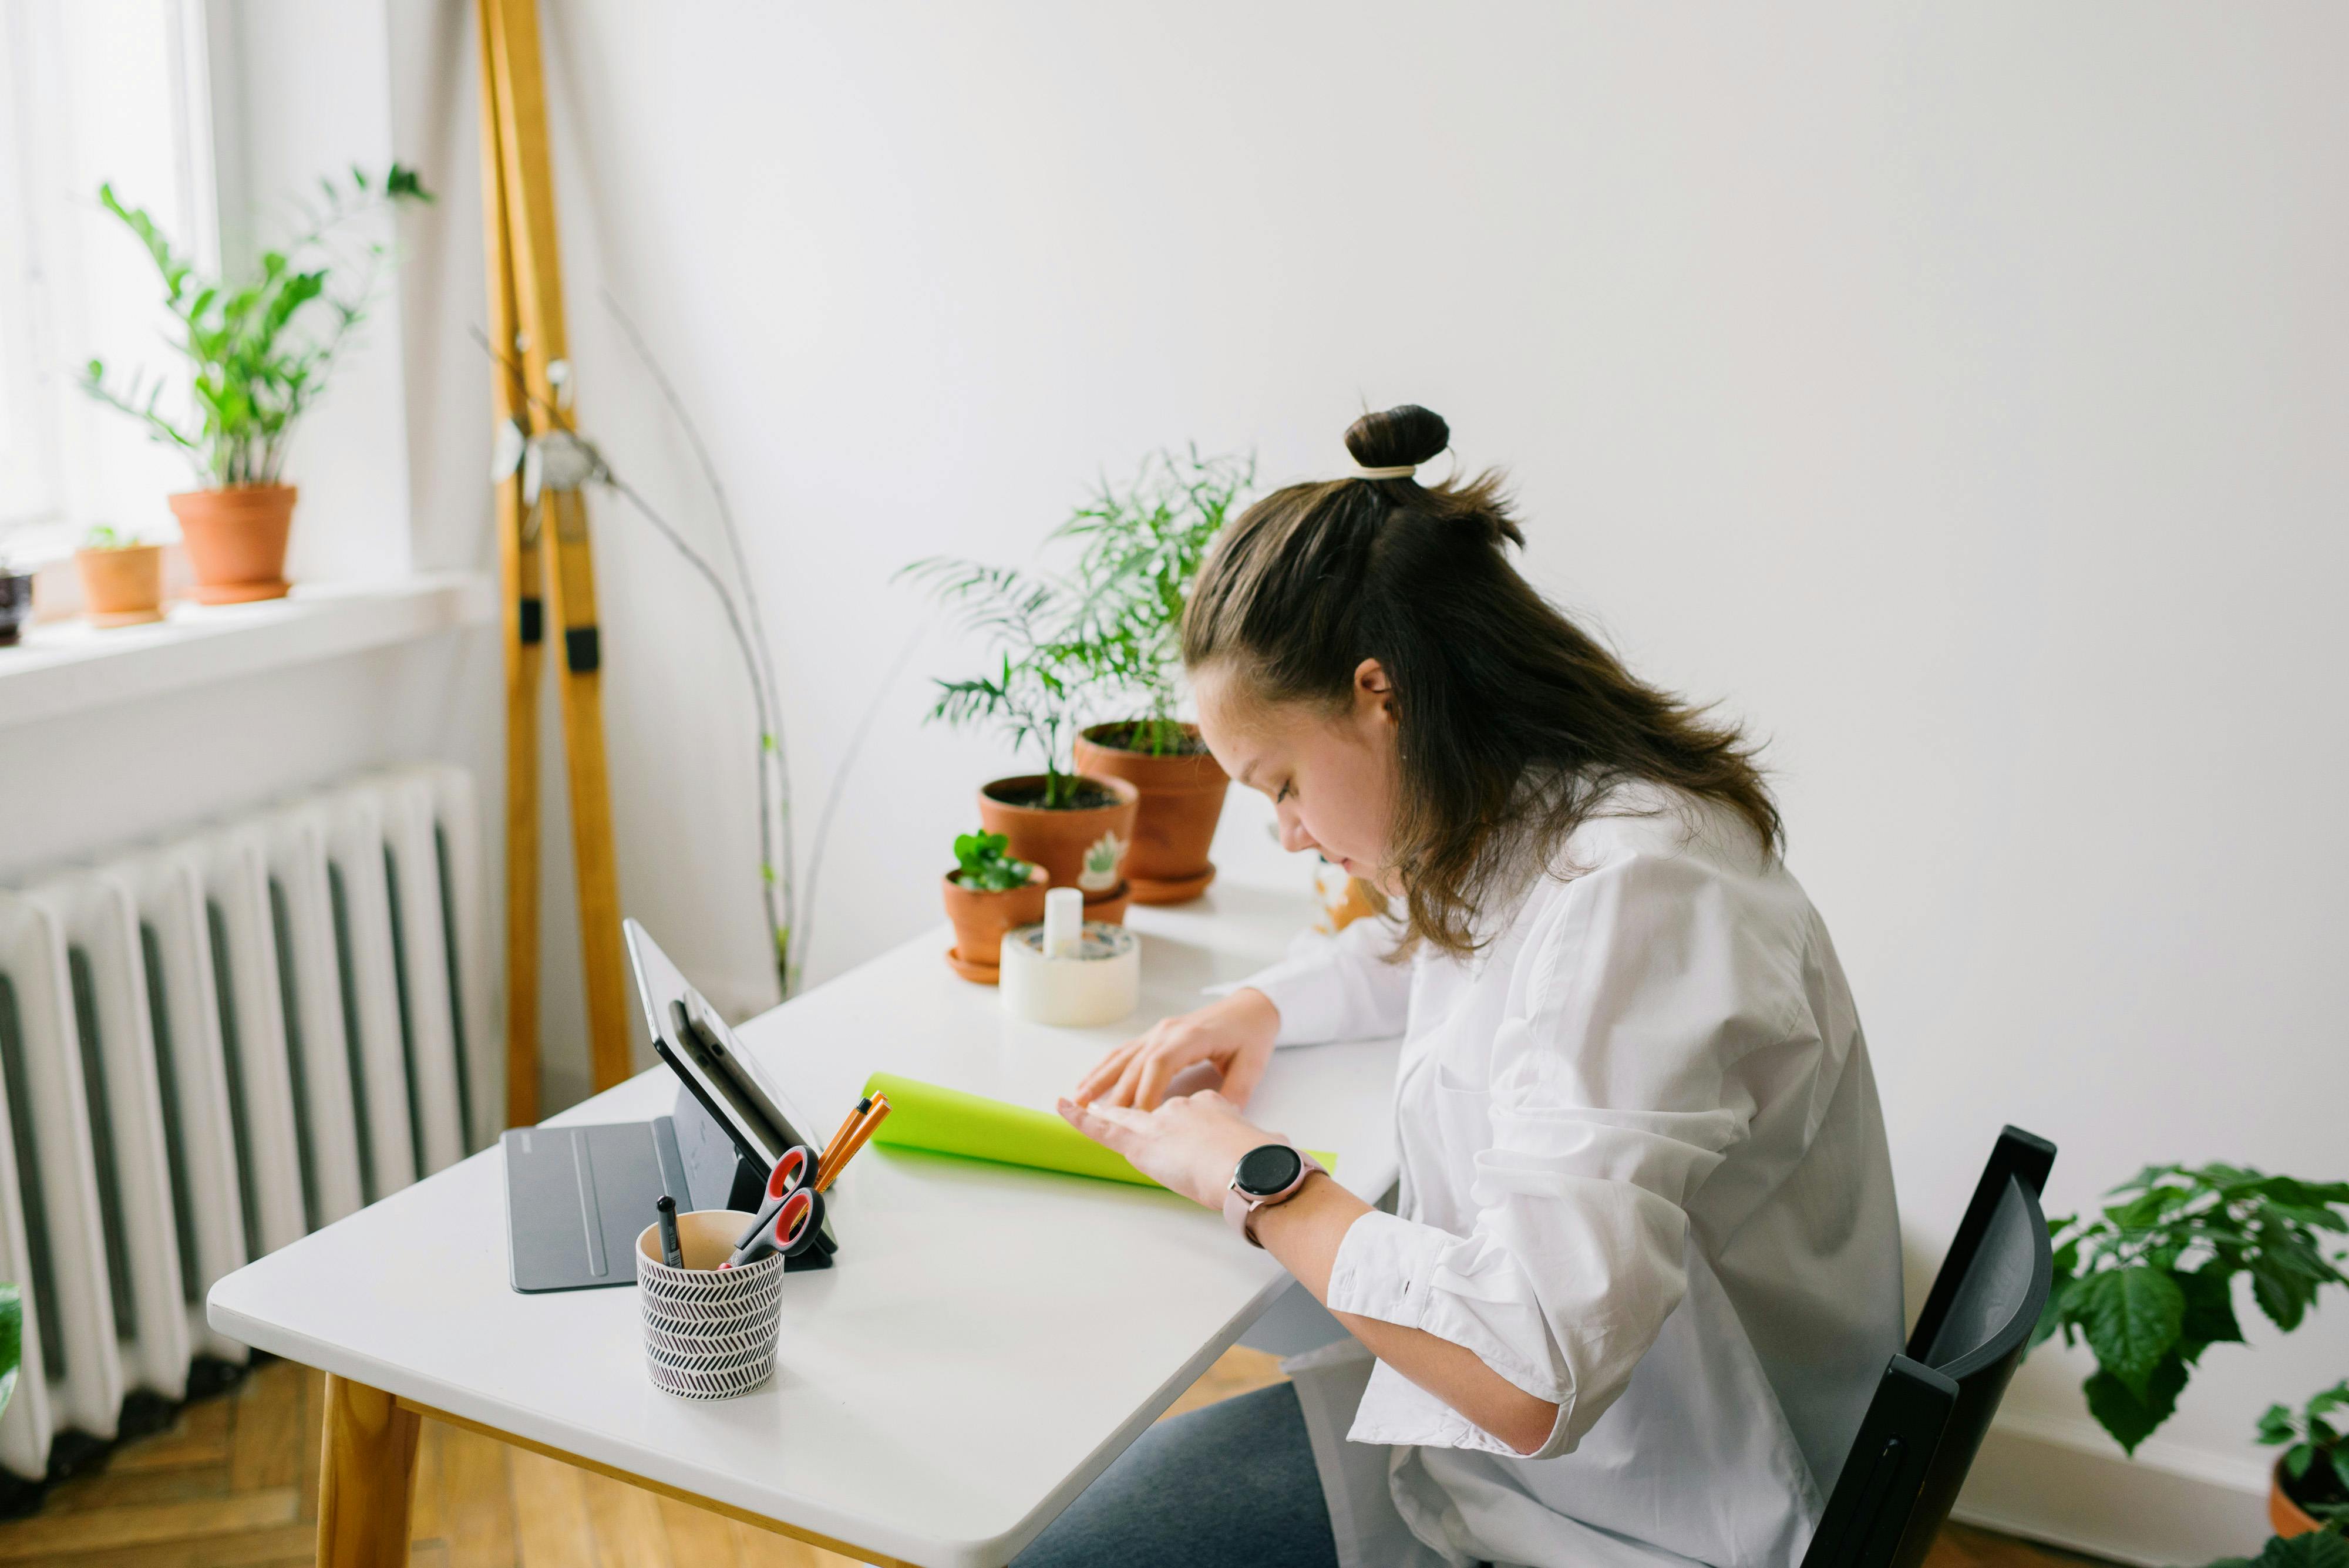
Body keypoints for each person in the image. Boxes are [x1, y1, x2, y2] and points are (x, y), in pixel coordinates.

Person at [1019, 406, 1903, 1568]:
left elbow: (1527, 1370)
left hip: (1651, 1520)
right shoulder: (1554, 824)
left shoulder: (1645, 891)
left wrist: (1254, 1175)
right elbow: (1463, 949)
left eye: (1281, 784)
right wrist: (1260, 1007)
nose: (1287, 832)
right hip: (1525, 1472)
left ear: (1378, 694)